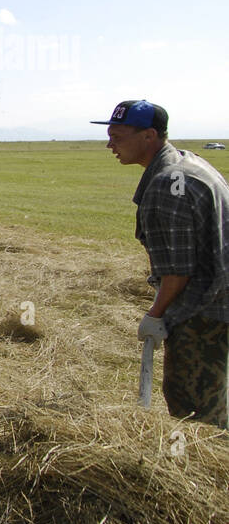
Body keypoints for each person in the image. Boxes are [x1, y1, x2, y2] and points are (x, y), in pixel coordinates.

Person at [93, 100, 229, 427]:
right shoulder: (188, 163)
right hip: (217, 301)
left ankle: (206, 474)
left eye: (118, 136)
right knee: (211, 396)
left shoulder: (169, 184)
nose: (110, 144)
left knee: (194, 411)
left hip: (204, 312)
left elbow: (178, 271)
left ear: (149, 136)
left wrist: (155, 314)